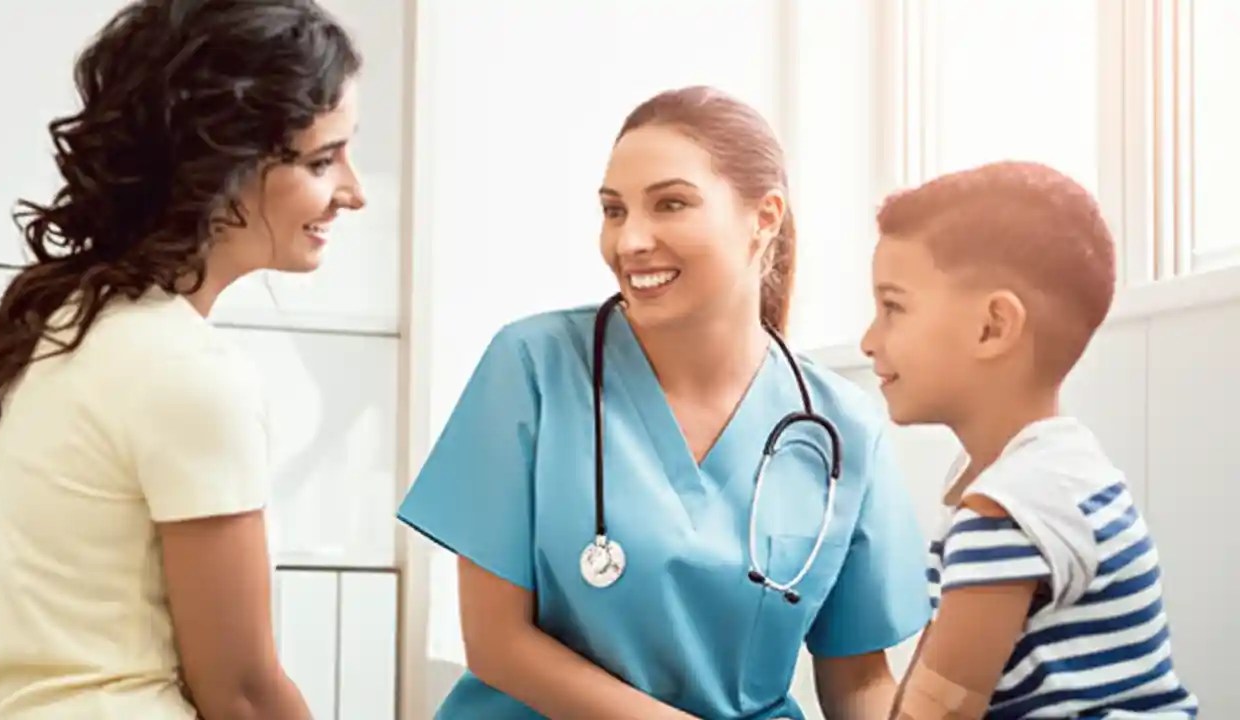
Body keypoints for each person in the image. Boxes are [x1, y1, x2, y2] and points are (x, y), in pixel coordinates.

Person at [397, 85, 931, 720]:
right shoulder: (534, 366)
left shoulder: (840, 428)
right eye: (614, 210)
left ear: (764, 217)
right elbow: (497, 644)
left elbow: (858, 681)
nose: (630, 241)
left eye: (670, 204)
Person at [0, 1, 366, 717]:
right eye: (321, 160)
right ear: (222, 168)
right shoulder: (186, 371)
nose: (353, 192)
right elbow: (241, 694)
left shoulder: (68, 328)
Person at [861, 161, 1198, 719]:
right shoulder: (1060, 469)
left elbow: (936, 713)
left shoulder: (1006, 510)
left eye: (893, 307)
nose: (869, 340)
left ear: (993, 326)